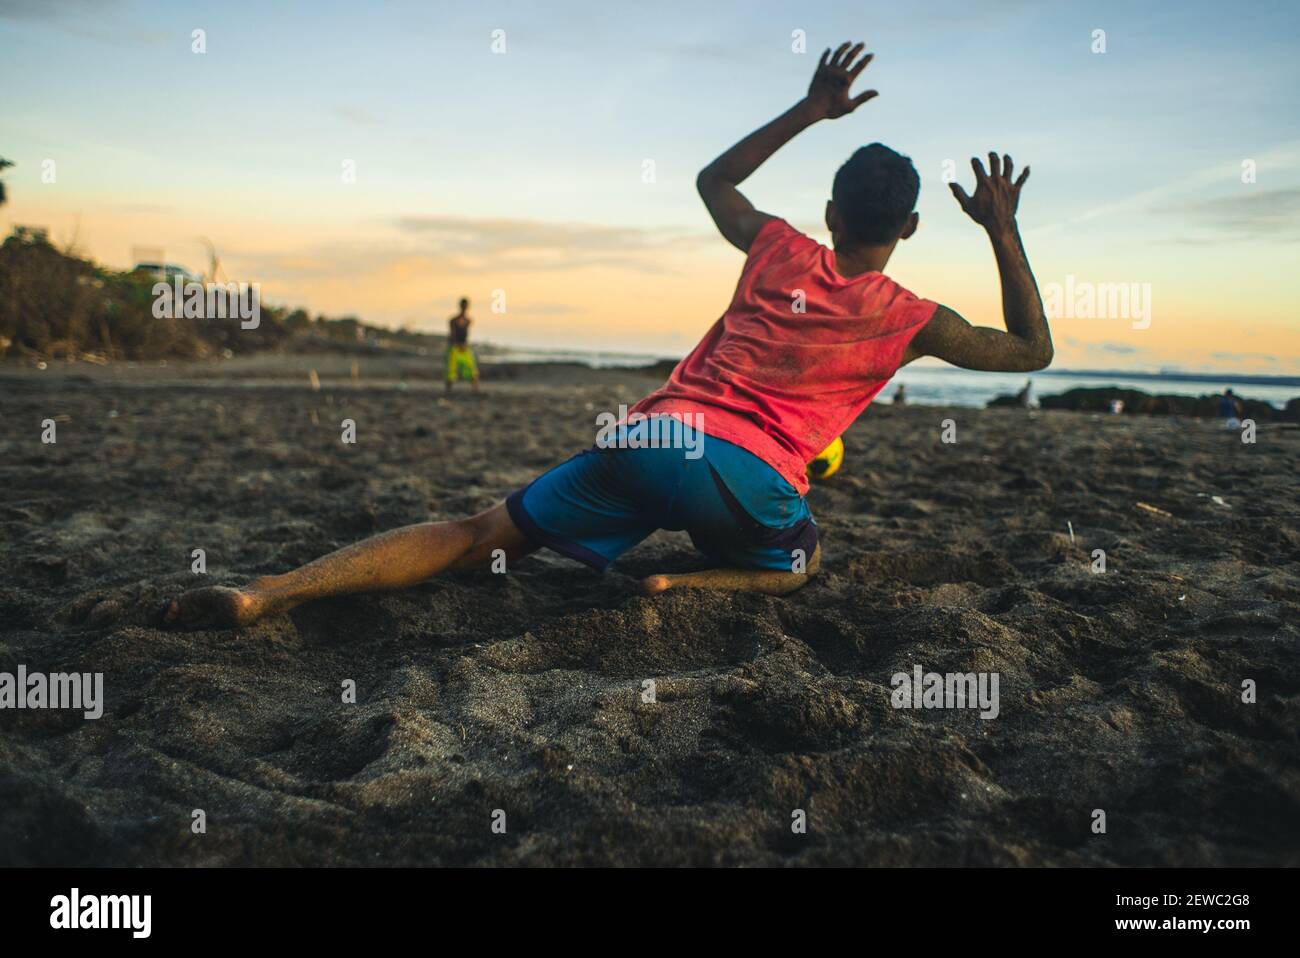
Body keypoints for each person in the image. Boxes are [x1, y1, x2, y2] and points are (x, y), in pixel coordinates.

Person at [162, 41, 1053, 630]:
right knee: (806, 558)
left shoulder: (778, 243)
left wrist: (811, 109)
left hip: (647, 434)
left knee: (477, 534)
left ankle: (264, 593)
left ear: (829, 213)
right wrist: (1002, 229)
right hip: (743, 476)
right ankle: (685, 585)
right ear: (907, 230)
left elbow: (715, 179)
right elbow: (1032, 352)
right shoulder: (915, 317)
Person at [445, 297, 478, 393]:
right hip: (454, 347)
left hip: (464, 347)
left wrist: (464, 345)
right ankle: (448, 391)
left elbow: (466, 335)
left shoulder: (468, 320)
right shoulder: (453, 320)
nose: (465, 307)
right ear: (460, 306)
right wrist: (458, 344)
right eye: (463, 305)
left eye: (466, 306)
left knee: (471, 369)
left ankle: (475, 390)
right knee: (451, 370)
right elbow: (452, 334)